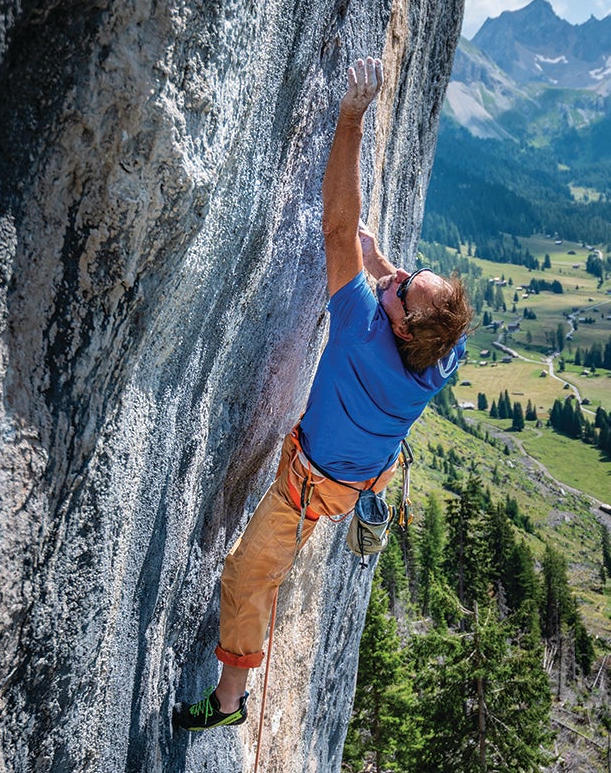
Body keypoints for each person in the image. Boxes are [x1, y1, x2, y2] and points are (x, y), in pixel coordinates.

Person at [173, 57, 472, 730]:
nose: (395, 279)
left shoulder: (361, 330)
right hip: (366, 469)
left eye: (399, 289)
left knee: (248, 577)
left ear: (395, 323)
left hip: (309, 487)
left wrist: (349, 119)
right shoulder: (438, 358)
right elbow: (398, 284)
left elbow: (338, 227)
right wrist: (387, 267)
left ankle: (228, 701)